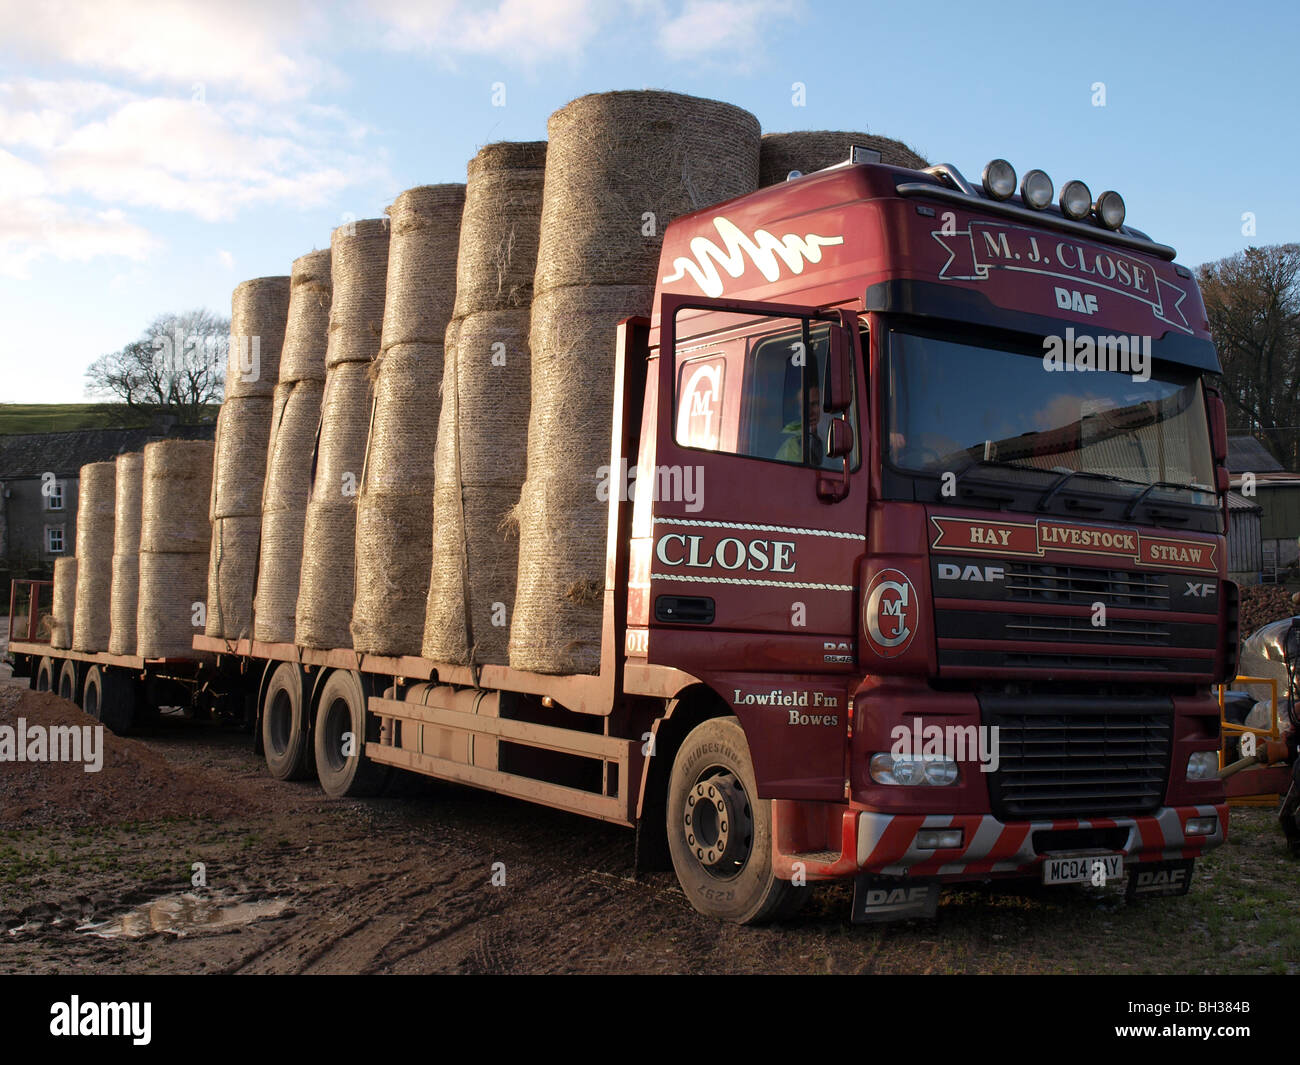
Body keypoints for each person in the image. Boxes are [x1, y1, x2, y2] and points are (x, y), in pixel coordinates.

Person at [775, 384, 823, 464]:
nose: (810, 412)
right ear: (799, 412)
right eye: (804, 406)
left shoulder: (838, 437)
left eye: (814, 404)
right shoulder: (793, 446)